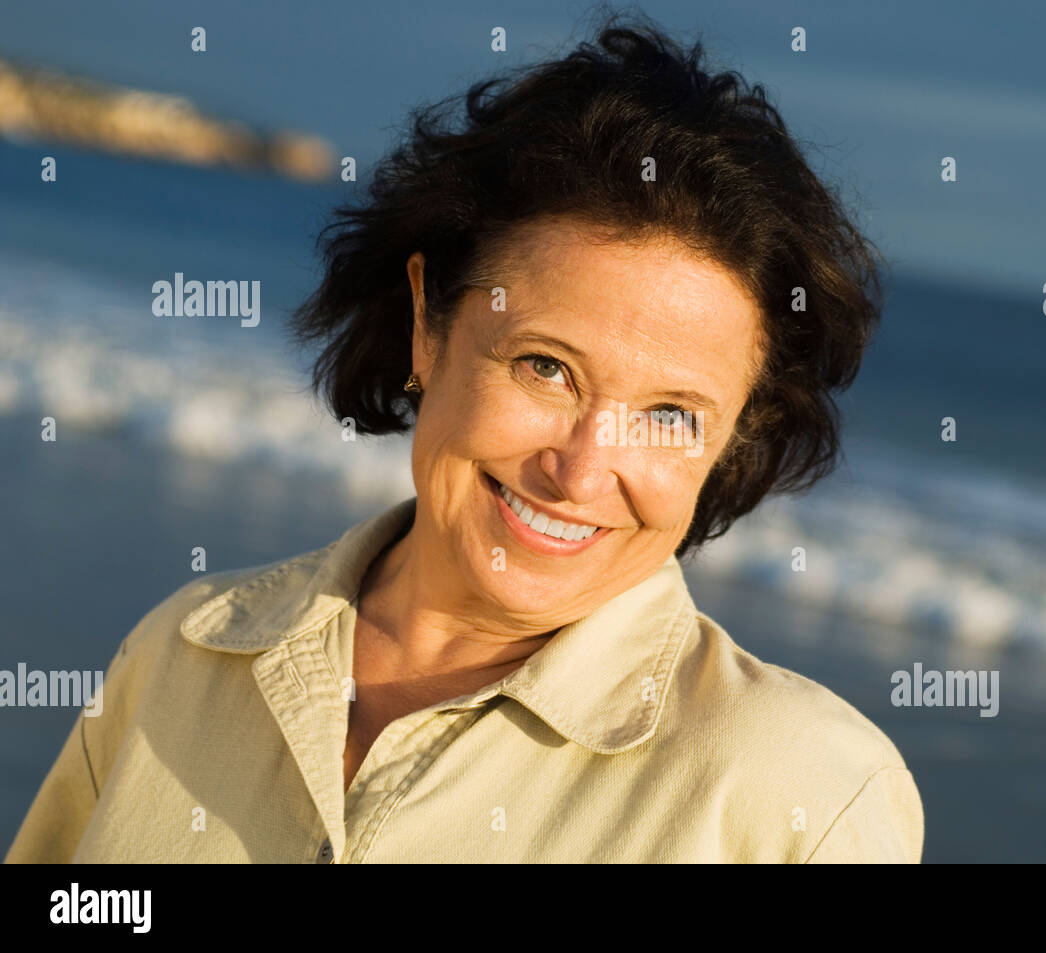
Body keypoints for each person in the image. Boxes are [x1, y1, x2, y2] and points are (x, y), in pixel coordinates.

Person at [6, 18, 923, 863]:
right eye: (546, 366)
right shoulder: (182, 652)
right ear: (426, 325)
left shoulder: (805, 798)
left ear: (733, 440)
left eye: (670, 415)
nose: (579, 470)